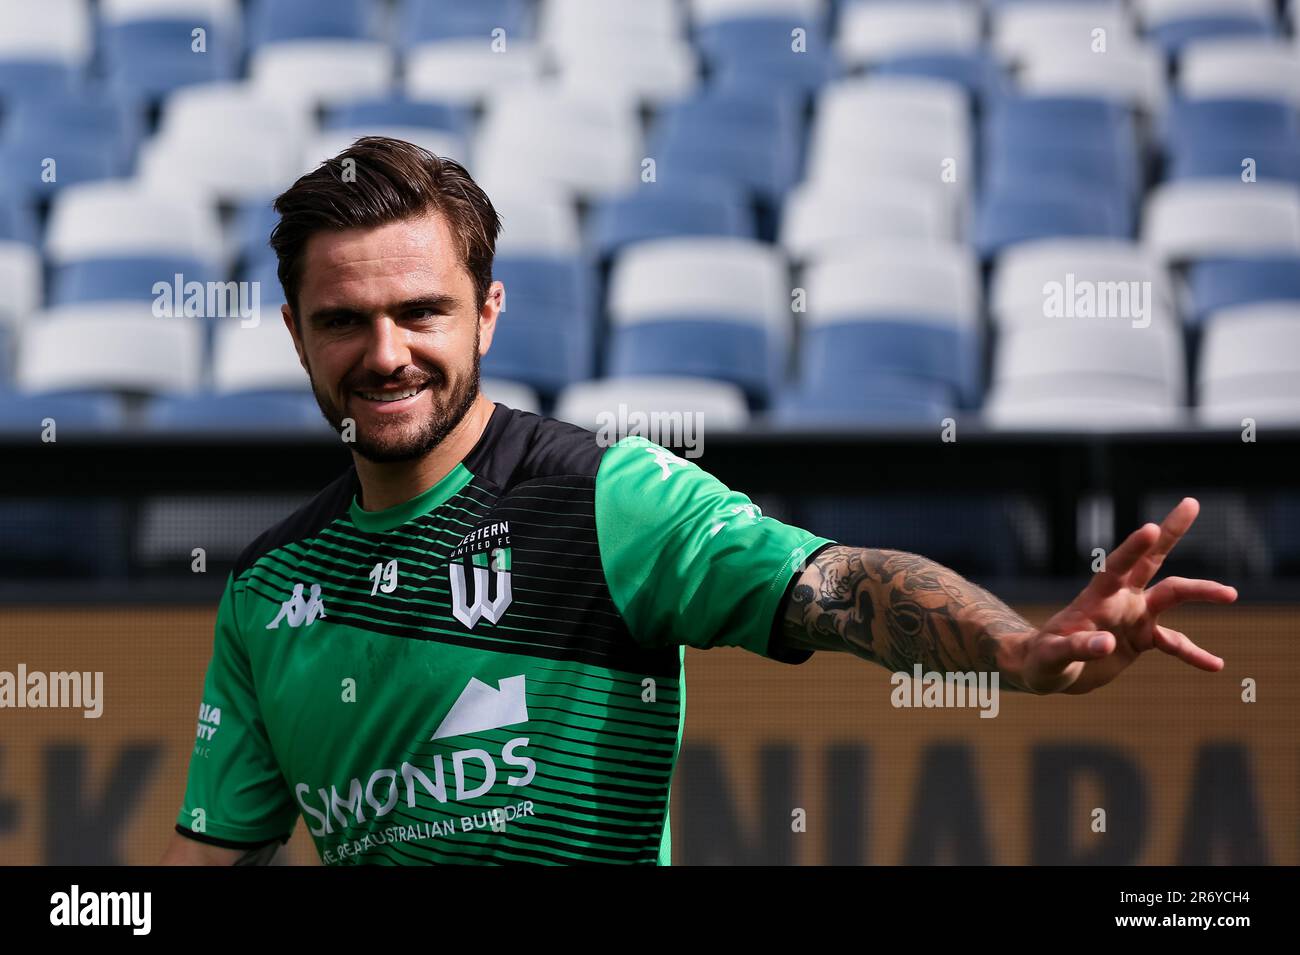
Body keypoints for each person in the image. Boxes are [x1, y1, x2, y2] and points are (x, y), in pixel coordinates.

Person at [160, 137, 1237, 866]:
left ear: (486, 315)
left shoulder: (607, 498)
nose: (386, 353)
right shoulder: (267, 587)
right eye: (345, 320)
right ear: (296, 333)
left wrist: (1012, 649)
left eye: (421, 312)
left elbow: (834, 581)